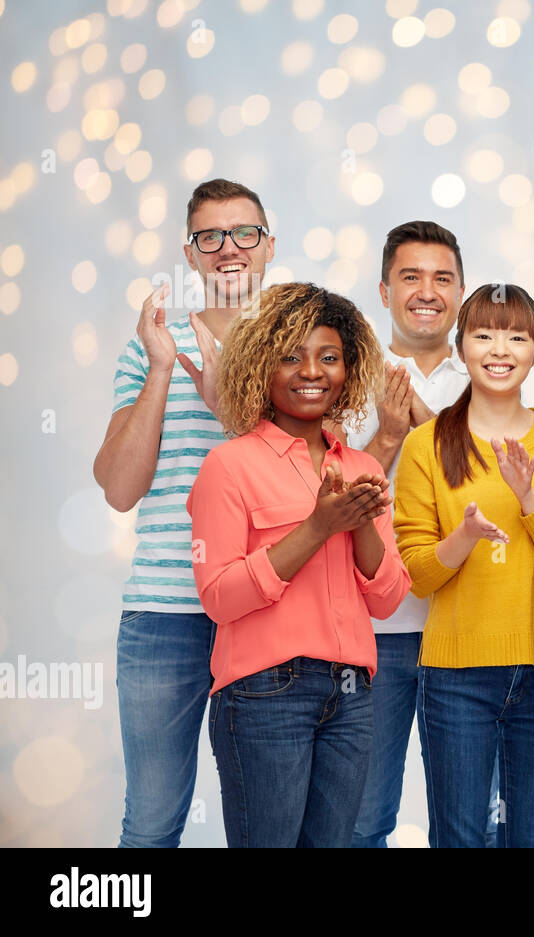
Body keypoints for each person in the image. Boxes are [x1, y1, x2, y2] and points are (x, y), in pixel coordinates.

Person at [187, 282, 409, 847]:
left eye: (329, 357)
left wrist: (356, 518)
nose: (311, 371)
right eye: (291, 356)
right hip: (266, 694)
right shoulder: (229, 465)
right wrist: (316, 528)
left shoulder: (362, 467)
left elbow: (385, 599)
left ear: (348, 369)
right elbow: (219, 596)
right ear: (261, 367)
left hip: (353, 695)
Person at [93, 178, 274, 847]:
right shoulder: (147, 349)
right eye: (210, 236)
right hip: (165, 612)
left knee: (264, 825)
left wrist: (230, 381)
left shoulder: (299, 350)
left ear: (268, 245)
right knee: (152, 820)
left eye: (244, 232)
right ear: (192, 254)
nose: (229, 247)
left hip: (263, 612)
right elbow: (118, 487)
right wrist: (165, 368)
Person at [394, 283, 534, 848]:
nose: (501, 349)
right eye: (485, 334)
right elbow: (419, 573)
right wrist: (467, 535)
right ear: (461, 346)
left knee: (528, 838)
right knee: (460, 838)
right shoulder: (427, 444)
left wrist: (528, 502)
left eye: (517, 336)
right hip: (456, 676)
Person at [348, 221, 471, 849]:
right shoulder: (344, 377)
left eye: (442, 278)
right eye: (411, 277)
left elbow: (481, 496)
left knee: (467, 826)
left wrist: (418, 426)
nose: (427, 291)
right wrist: (388, 437)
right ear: (384, 289)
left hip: (465, 634)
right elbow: (325, 496)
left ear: (460, 290)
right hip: (374, 635)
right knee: (365, 819)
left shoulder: (486, 375)